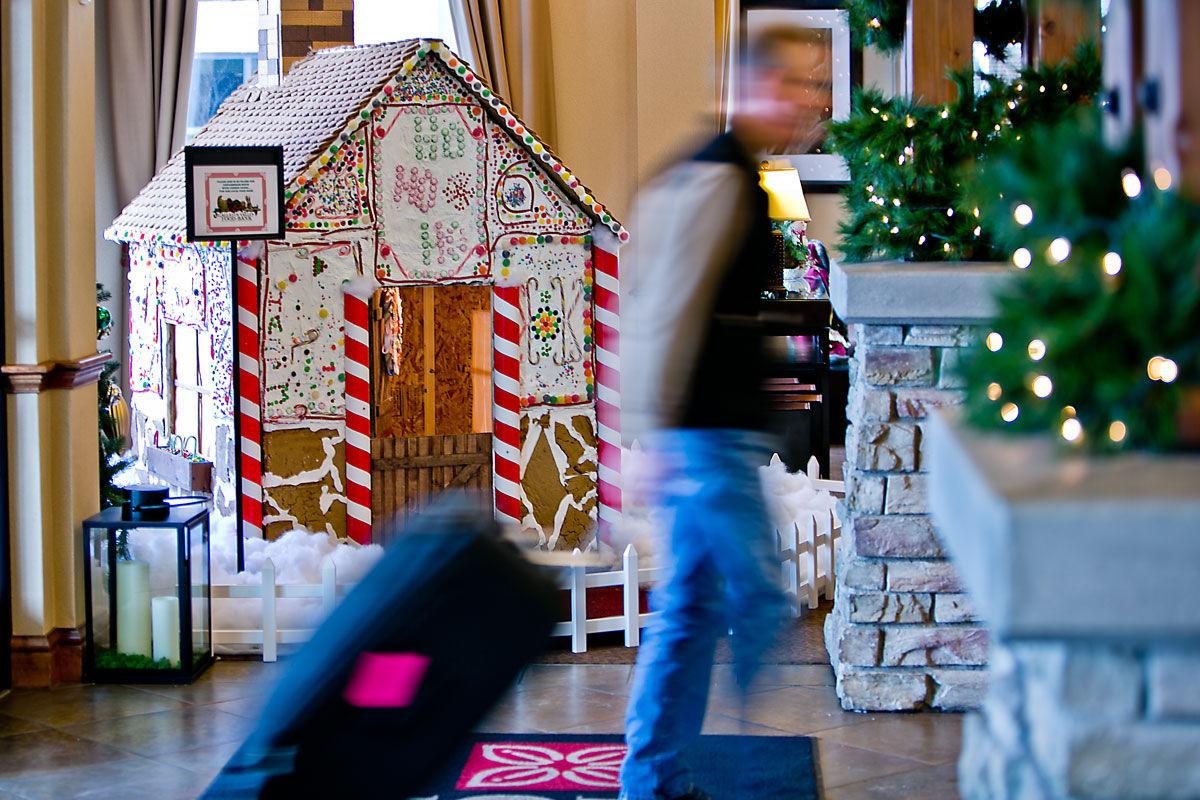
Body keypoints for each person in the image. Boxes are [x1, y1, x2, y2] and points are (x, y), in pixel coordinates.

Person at [618, 25, 828, 800]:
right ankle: (675, 759)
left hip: (714, 433)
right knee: (753, 598)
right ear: (749, 89)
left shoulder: (744, 177)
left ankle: (654, 776)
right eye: (796, 85)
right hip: (700, 437)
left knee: (691, 609)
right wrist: (653, 432)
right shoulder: (716, 178)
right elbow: (664, 307)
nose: (809, 103)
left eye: (813, 87)